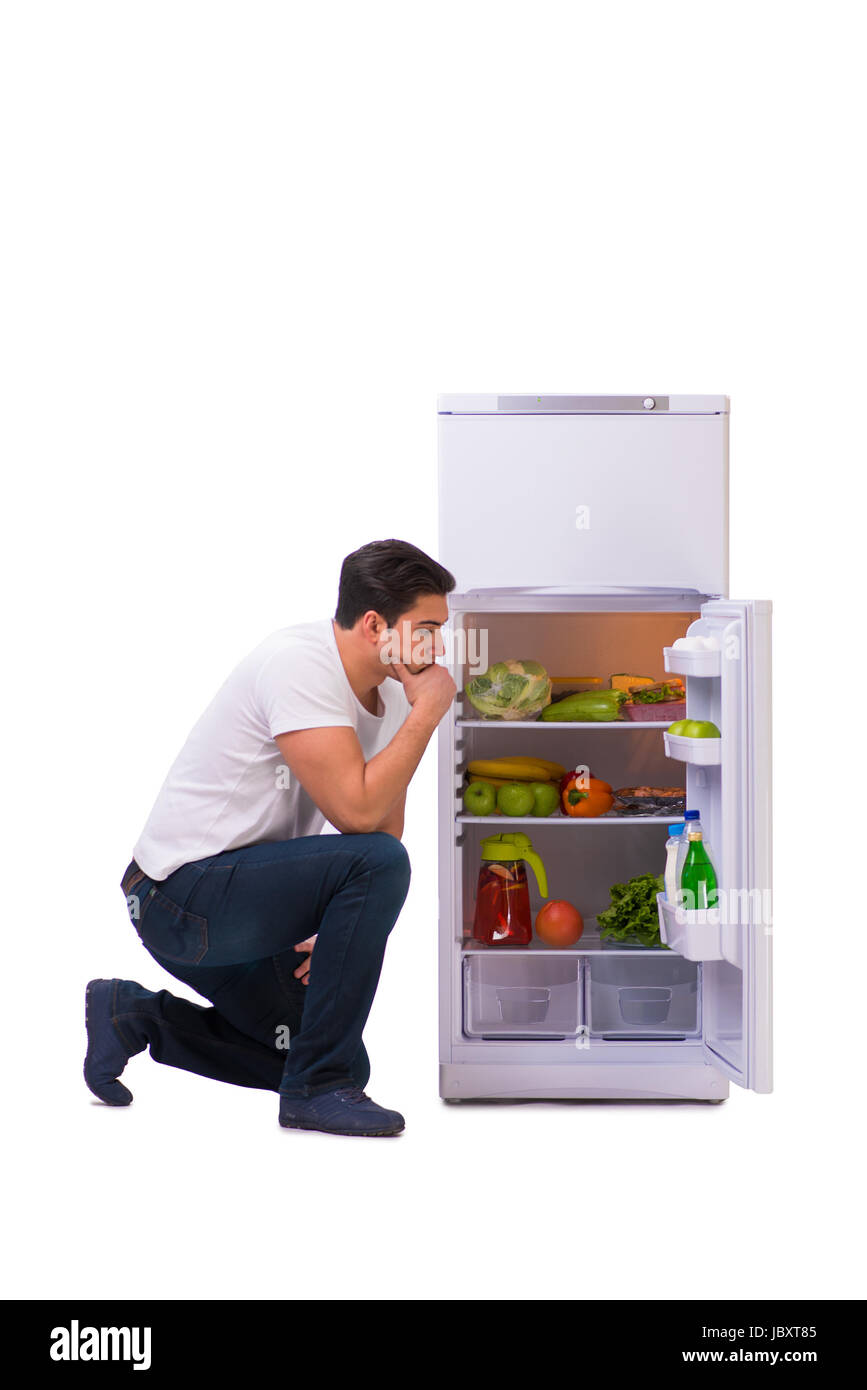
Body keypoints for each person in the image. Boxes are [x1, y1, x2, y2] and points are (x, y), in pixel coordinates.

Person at [84, 538, 457, 1137]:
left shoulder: (387, 695)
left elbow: (382, 826)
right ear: (373, 624)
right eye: (429, 628)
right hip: (177, 899)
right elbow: (364, 827)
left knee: (329, 1050)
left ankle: (135, 1018)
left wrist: (333, 922)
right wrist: (426, 715)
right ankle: (317, 1091)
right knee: (381, 869)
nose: (439, 648)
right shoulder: (299, 664)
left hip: (238, 906)